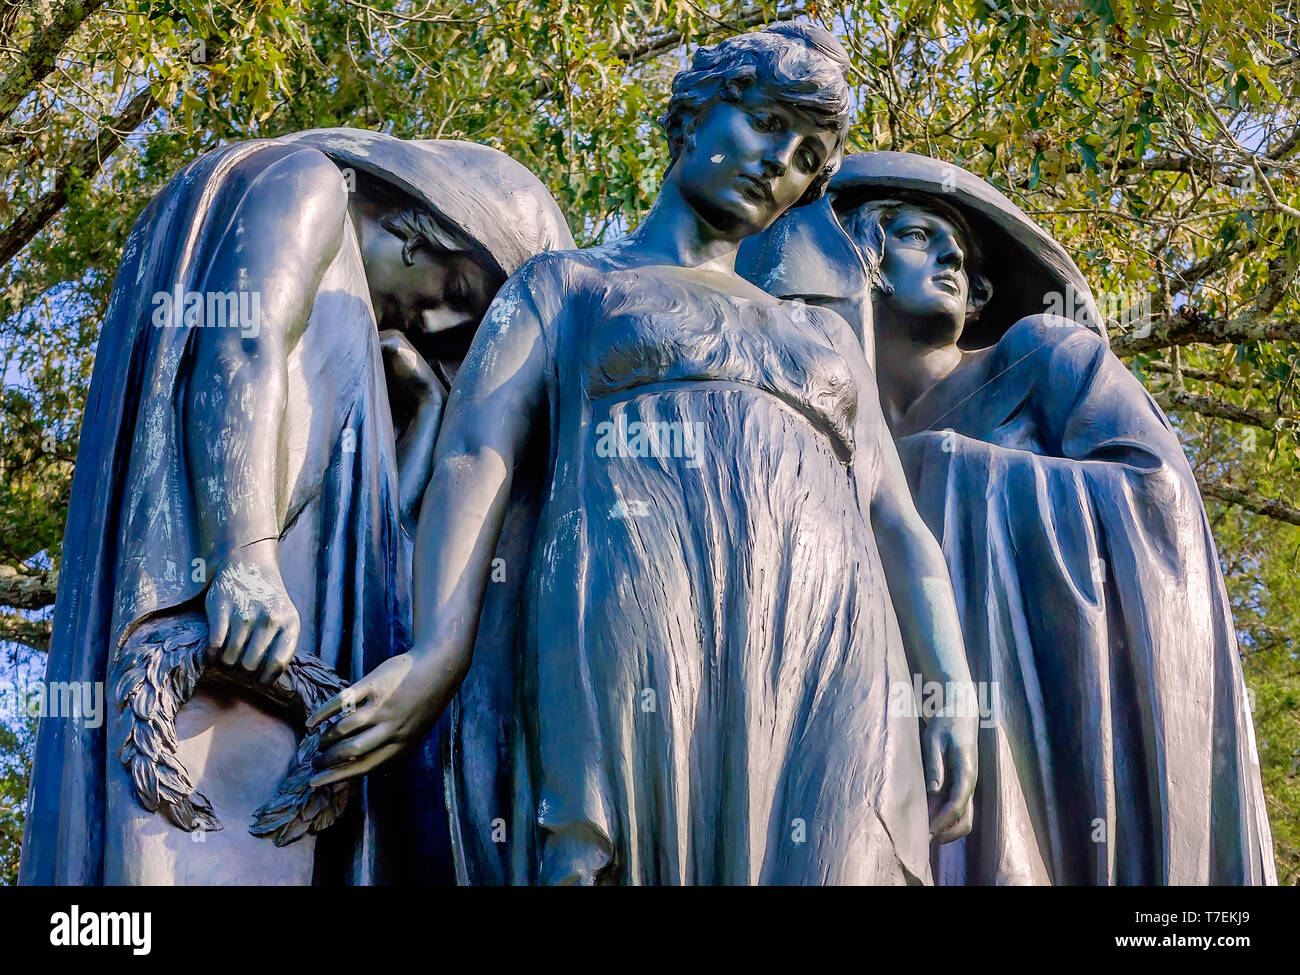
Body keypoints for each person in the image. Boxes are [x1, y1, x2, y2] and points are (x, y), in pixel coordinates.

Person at [307, 24, 977, 886]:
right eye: (766, 122)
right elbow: (478, 455)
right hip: (636, 624)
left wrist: (948, 681)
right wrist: (439, 649)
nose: (782, 162)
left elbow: (894, 517)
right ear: (694, 114)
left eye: (809, 155)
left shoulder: (823, 337)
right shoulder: (569, 286)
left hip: (832, 646)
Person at [20, 128, 572, 885]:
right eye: (456, 292)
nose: (437, 325)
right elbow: (242, 343)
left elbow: (381, 545)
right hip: (228, 621)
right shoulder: (309, 185)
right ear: (423, 227)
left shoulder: (367, 349)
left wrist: (422, 425)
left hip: (278, 637)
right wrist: (245, 556)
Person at [742, 149, 1276, 885]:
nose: (950, 262)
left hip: (1048, 748)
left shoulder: (1042, 352)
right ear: (859, 260)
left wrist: (950, 473)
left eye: (960, 254)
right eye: (918, 238)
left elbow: (1160, 500)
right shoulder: (836, 436)